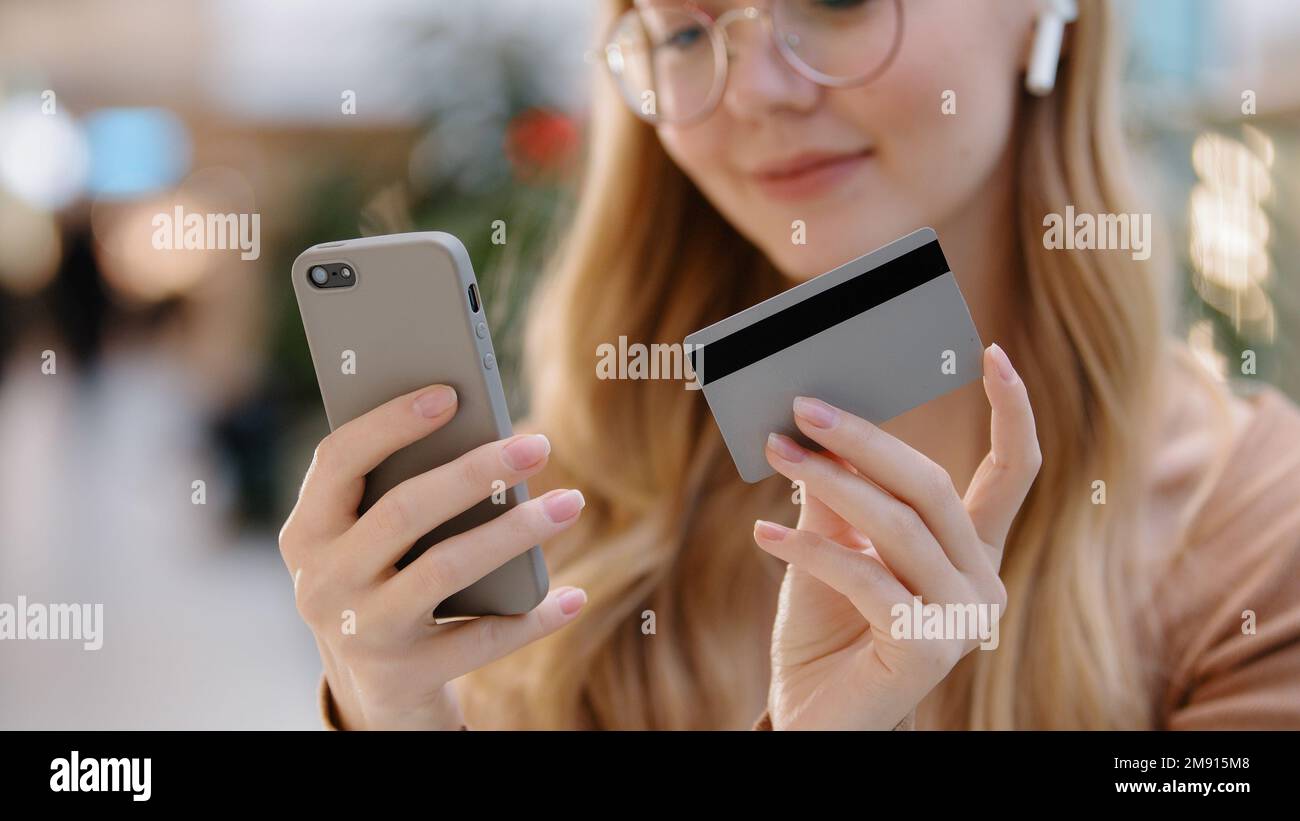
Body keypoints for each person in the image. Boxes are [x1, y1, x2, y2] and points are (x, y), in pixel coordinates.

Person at [279, 0, 1300, 730]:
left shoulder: (1259, 530)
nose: (758, 90)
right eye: (685, 29)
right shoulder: (587, 486)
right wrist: (396, 717)